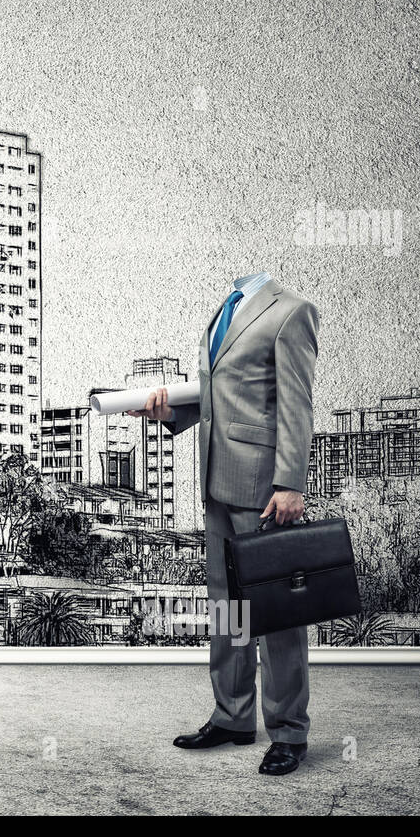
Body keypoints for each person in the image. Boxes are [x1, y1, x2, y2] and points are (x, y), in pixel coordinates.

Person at [126, 271, 320, 776]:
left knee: (275, 616)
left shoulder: (290, 311)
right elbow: (222, 395)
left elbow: (296, 402)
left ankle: (289, 733)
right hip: (217, 480)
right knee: (228, 611)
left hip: (265, 488)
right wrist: (171, 414)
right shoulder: (225, 309)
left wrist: (291, 484)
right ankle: (233, 716)